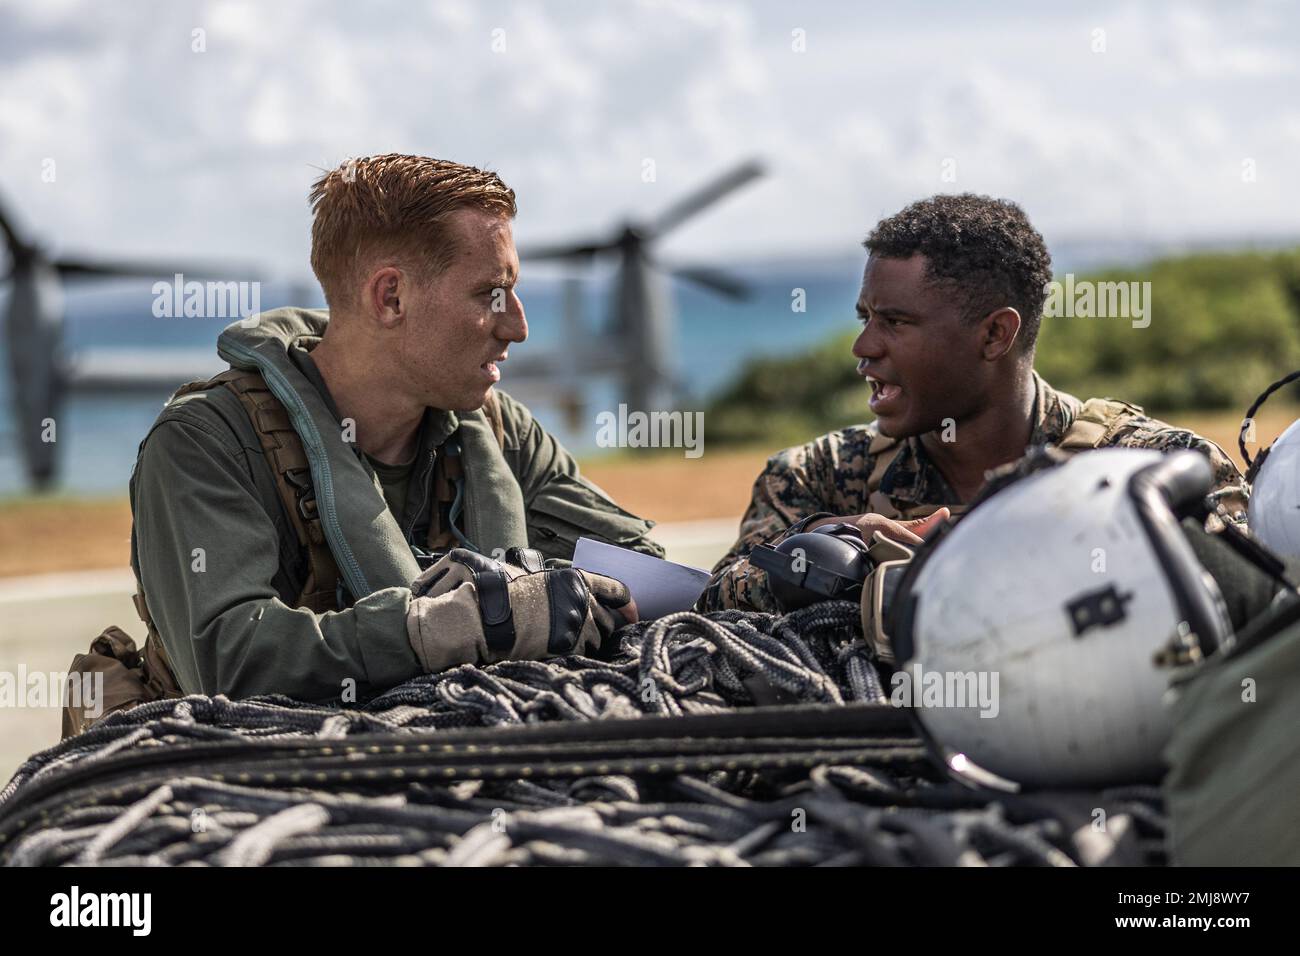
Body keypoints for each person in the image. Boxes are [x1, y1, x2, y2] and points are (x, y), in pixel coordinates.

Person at [119, 154, 662, 709]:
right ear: (391, 298)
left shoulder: (502, 432)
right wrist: (448, 626)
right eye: (490, 295)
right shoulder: (208, 446)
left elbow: (643, 572)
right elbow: (227, 663)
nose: (517, 326)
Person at [700, 194, 1247, 613]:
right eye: (865, 317)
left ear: (993, 336)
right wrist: (829, 549)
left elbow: (1251, 605)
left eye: (895, 322)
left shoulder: (1159, 471)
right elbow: (710, 606)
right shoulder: (816, 477)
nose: (863, 347)